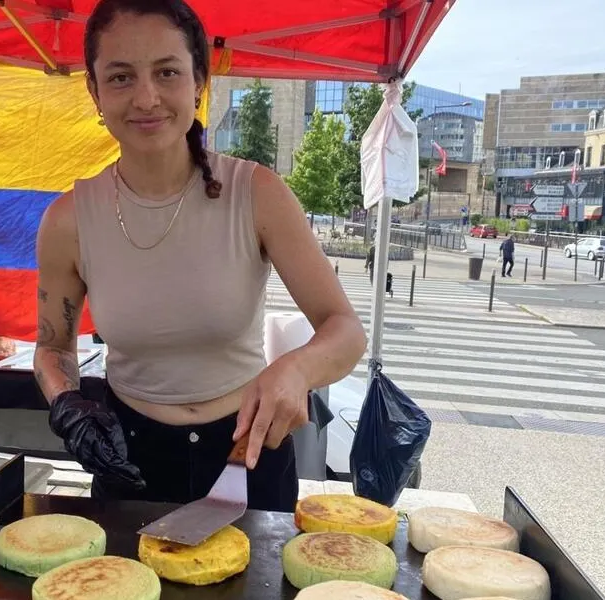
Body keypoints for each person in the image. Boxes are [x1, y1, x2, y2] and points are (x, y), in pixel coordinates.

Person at [33, 0, 367, 512]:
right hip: (129, 461)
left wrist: (298, 369)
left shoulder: (257, 193)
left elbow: (344, 328)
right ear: (95, 92)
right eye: (120, 78)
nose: (146, 98)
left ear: (198, 82)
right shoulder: (68, 220)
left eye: (167, 72)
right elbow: (53, 349)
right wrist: (68, 403)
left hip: (248, 453)